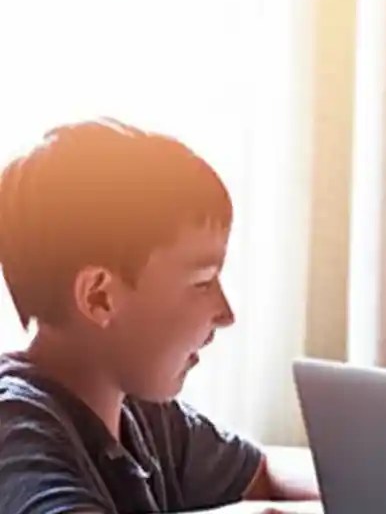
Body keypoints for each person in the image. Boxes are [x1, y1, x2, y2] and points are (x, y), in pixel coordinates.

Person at [0, 119, 321, 513]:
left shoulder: (141, 411)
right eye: (203, 283)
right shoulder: (14, 430)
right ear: (99, 297)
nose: (226, 315)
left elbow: (264, 473)